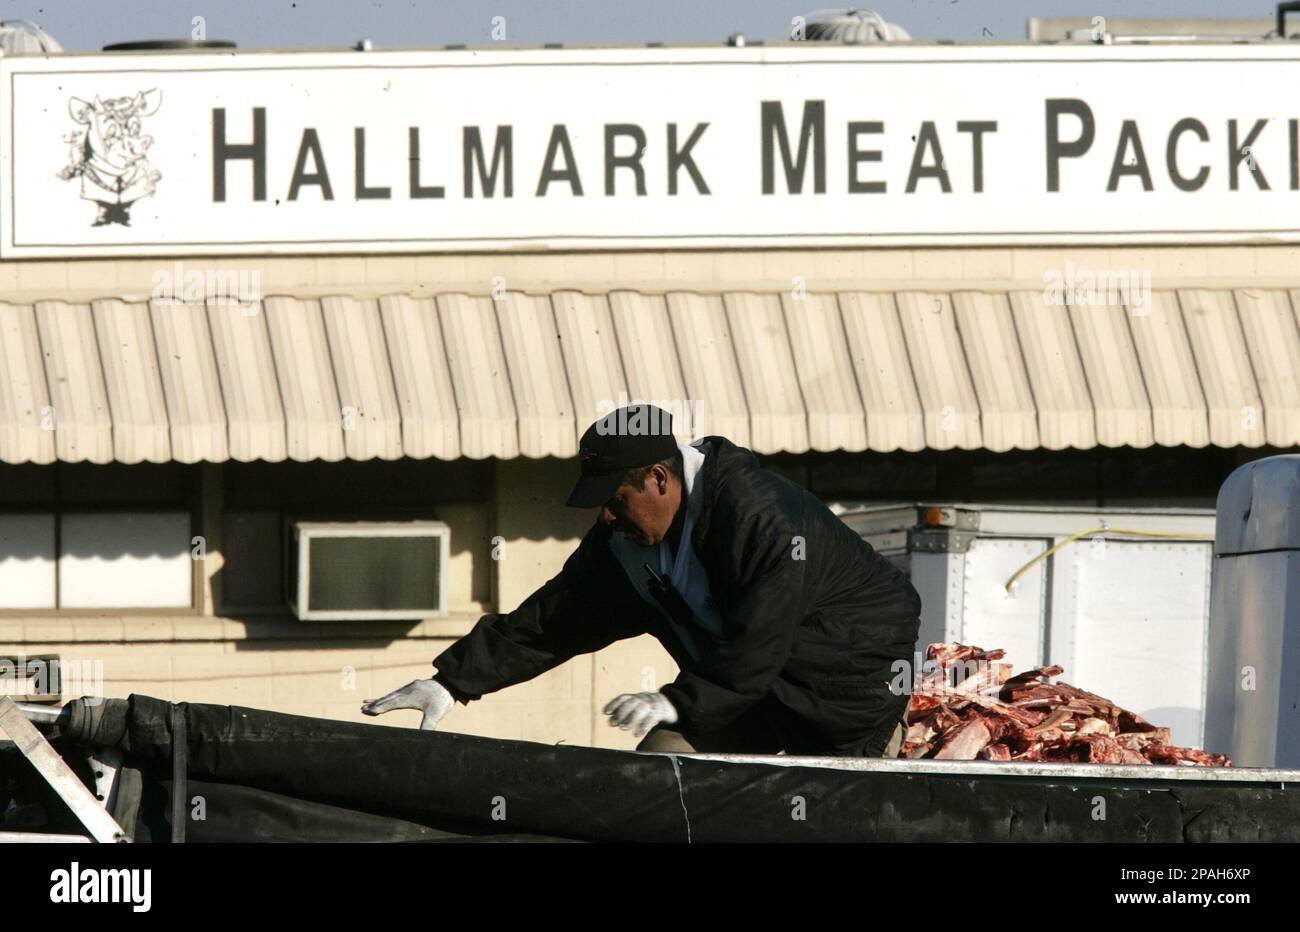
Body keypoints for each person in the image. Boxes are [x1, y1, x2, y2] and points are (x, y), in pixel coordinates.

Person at [363, 404, 921, 757]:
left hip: (845, 695)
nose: (606, 517)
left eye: (614, 500)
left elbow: (761, 637)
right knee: (659, 773)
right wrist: (452, 682)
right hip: (743, 695)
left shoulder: (760, 517)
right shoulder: (626, 543)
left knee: (825, 815)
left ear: (660, 478)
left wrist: (679, 700)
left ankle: (893, 752)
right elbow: (557, 619)